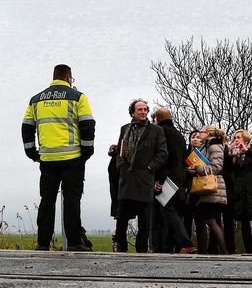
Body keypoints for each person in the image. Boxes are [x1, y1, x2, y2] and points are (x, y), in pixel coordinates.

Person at [21, 64, 95, 251]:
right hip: (73, 159)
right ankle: (75, 243)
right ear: (69, 77)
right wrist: (86, 153)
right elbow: (87, 125)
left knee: (47, 201)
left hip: (47, 160)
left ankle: (43, 243)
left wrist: (32, 153)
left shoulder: (36, 100)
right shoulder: (78, 97)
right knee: (72, 201)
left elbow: (27, 127)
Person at [112, 100, 167, 252]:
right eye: (140, 110)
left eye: (145, 109)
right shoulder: (124, 129)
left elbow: (163, 153)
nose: (143, 112)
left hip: (144, 180)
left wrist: (150, 167)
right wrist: (120, 165)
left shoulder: (156, 130)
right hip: (127, 180)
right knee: (121, 218)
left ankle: (141, 251)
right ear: (133, 113)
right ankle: (121, 250)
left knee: (144, 220)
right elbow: (120, 151)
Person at [151, 107, 198, 254]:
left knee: (169, 211)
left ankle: (186, 243)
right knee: (173, 212)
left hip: (167, 179)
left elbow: (164, 158)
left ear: (157, 120)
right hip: (180, 179)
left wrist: (159, 179)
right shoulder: (179, 135)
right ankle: (170, 246)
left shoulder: (160, 132)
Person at [187, 125, 229, 254]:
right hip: (208, 190)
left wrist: (198, 168)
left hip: (213, 188)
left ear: (208, 133)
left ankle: (223, 250)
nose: (199, 134)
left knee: (210, 220)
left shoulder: (214, 146)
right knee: (206, 219)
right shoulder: (207, 146)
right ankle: (207, 251)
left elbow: (216, 168)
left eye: (201, 132)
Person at [226, 129, 252, 253]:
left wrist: (246, 151)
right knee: (244, 222)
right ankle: (248, 250)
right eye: (235, 137)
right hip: (240, 192)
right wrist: (232, 158)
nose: (236, 139)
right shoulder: (234, 154)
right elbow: (229, 170)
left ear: (245, 139)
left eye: (239, 137)